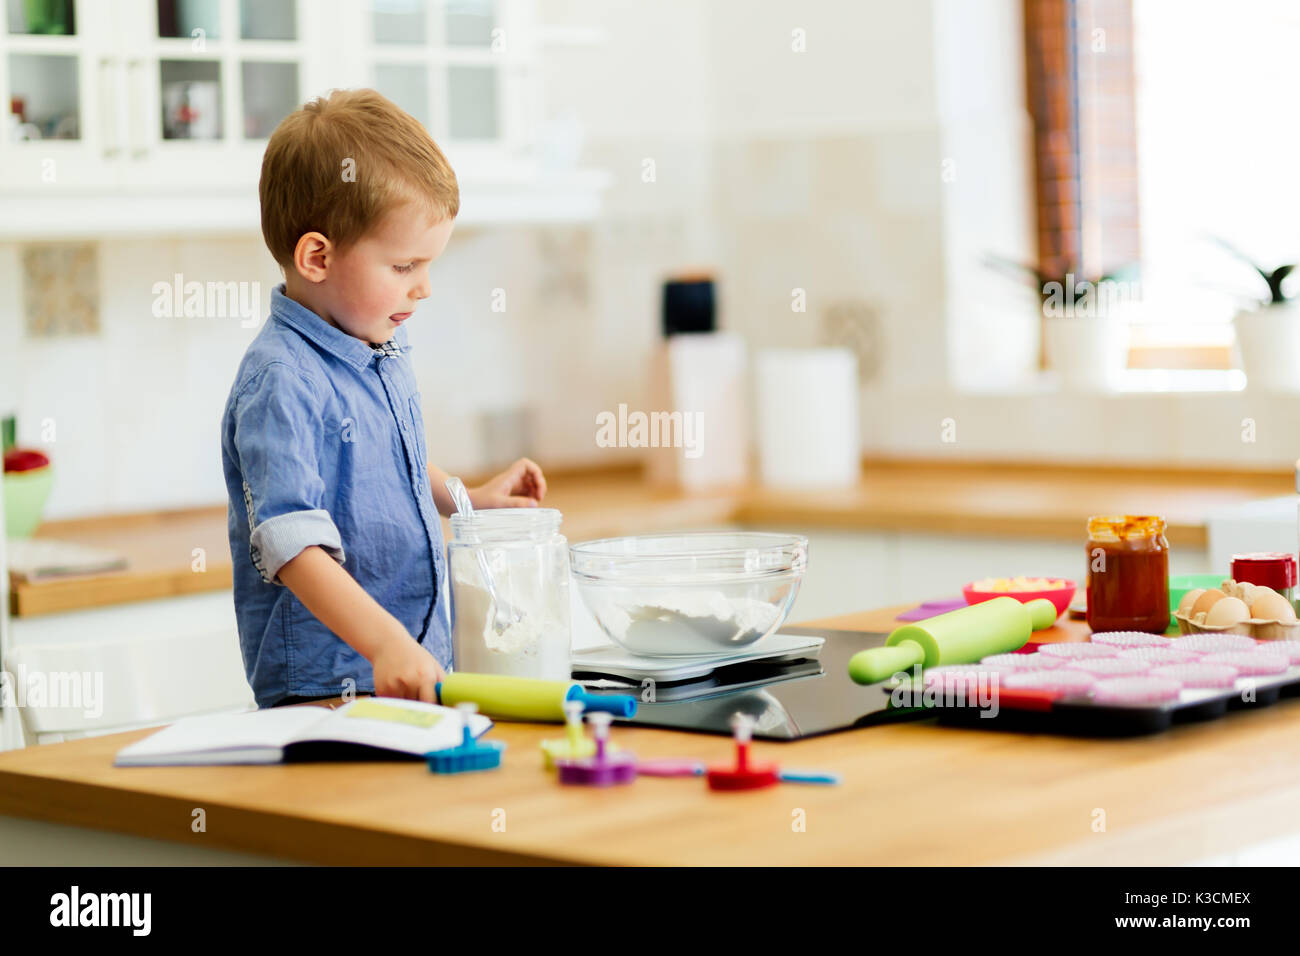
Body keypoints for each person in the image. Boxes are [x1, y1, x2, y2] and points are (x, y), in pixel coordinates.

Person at [221, 89, 546, 709]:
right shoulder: (282, 379)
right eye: (404, 266)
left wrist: (469, 500)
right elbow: (293, 545)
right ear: (318, 256)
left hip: (403, 673)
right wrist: (384, 644)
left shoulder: (376, 347)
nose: (423, 288)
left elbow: (389, 464)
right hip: (328, 690)